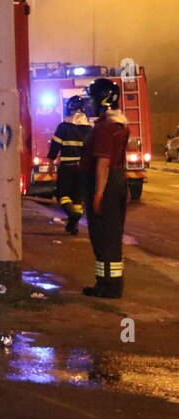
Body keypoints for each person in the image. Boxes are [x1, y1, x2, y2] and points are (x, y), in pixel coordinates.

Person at [81, 78, 128, 298]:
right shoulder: (120, 126)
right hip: (117, 181)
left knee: (102, 237)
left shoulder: (103, 129)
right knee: (112, 236)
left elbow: (102, 162)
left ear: (101, 100)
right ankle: (112, 284)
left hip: (104, 185)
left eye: (91, 98)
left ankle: (106, 286)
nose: (89, 103)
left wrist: (98, 194)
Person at [47, 95, 90, 234]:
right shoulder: (89, 129)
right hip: (83, 169)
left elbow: (55, 145)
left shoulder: (63, 127)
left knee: (62, 194)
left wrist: (51, 162)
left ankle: (72, 215)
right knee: (78, 197)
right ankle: (73, 226)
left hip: (67, 167)